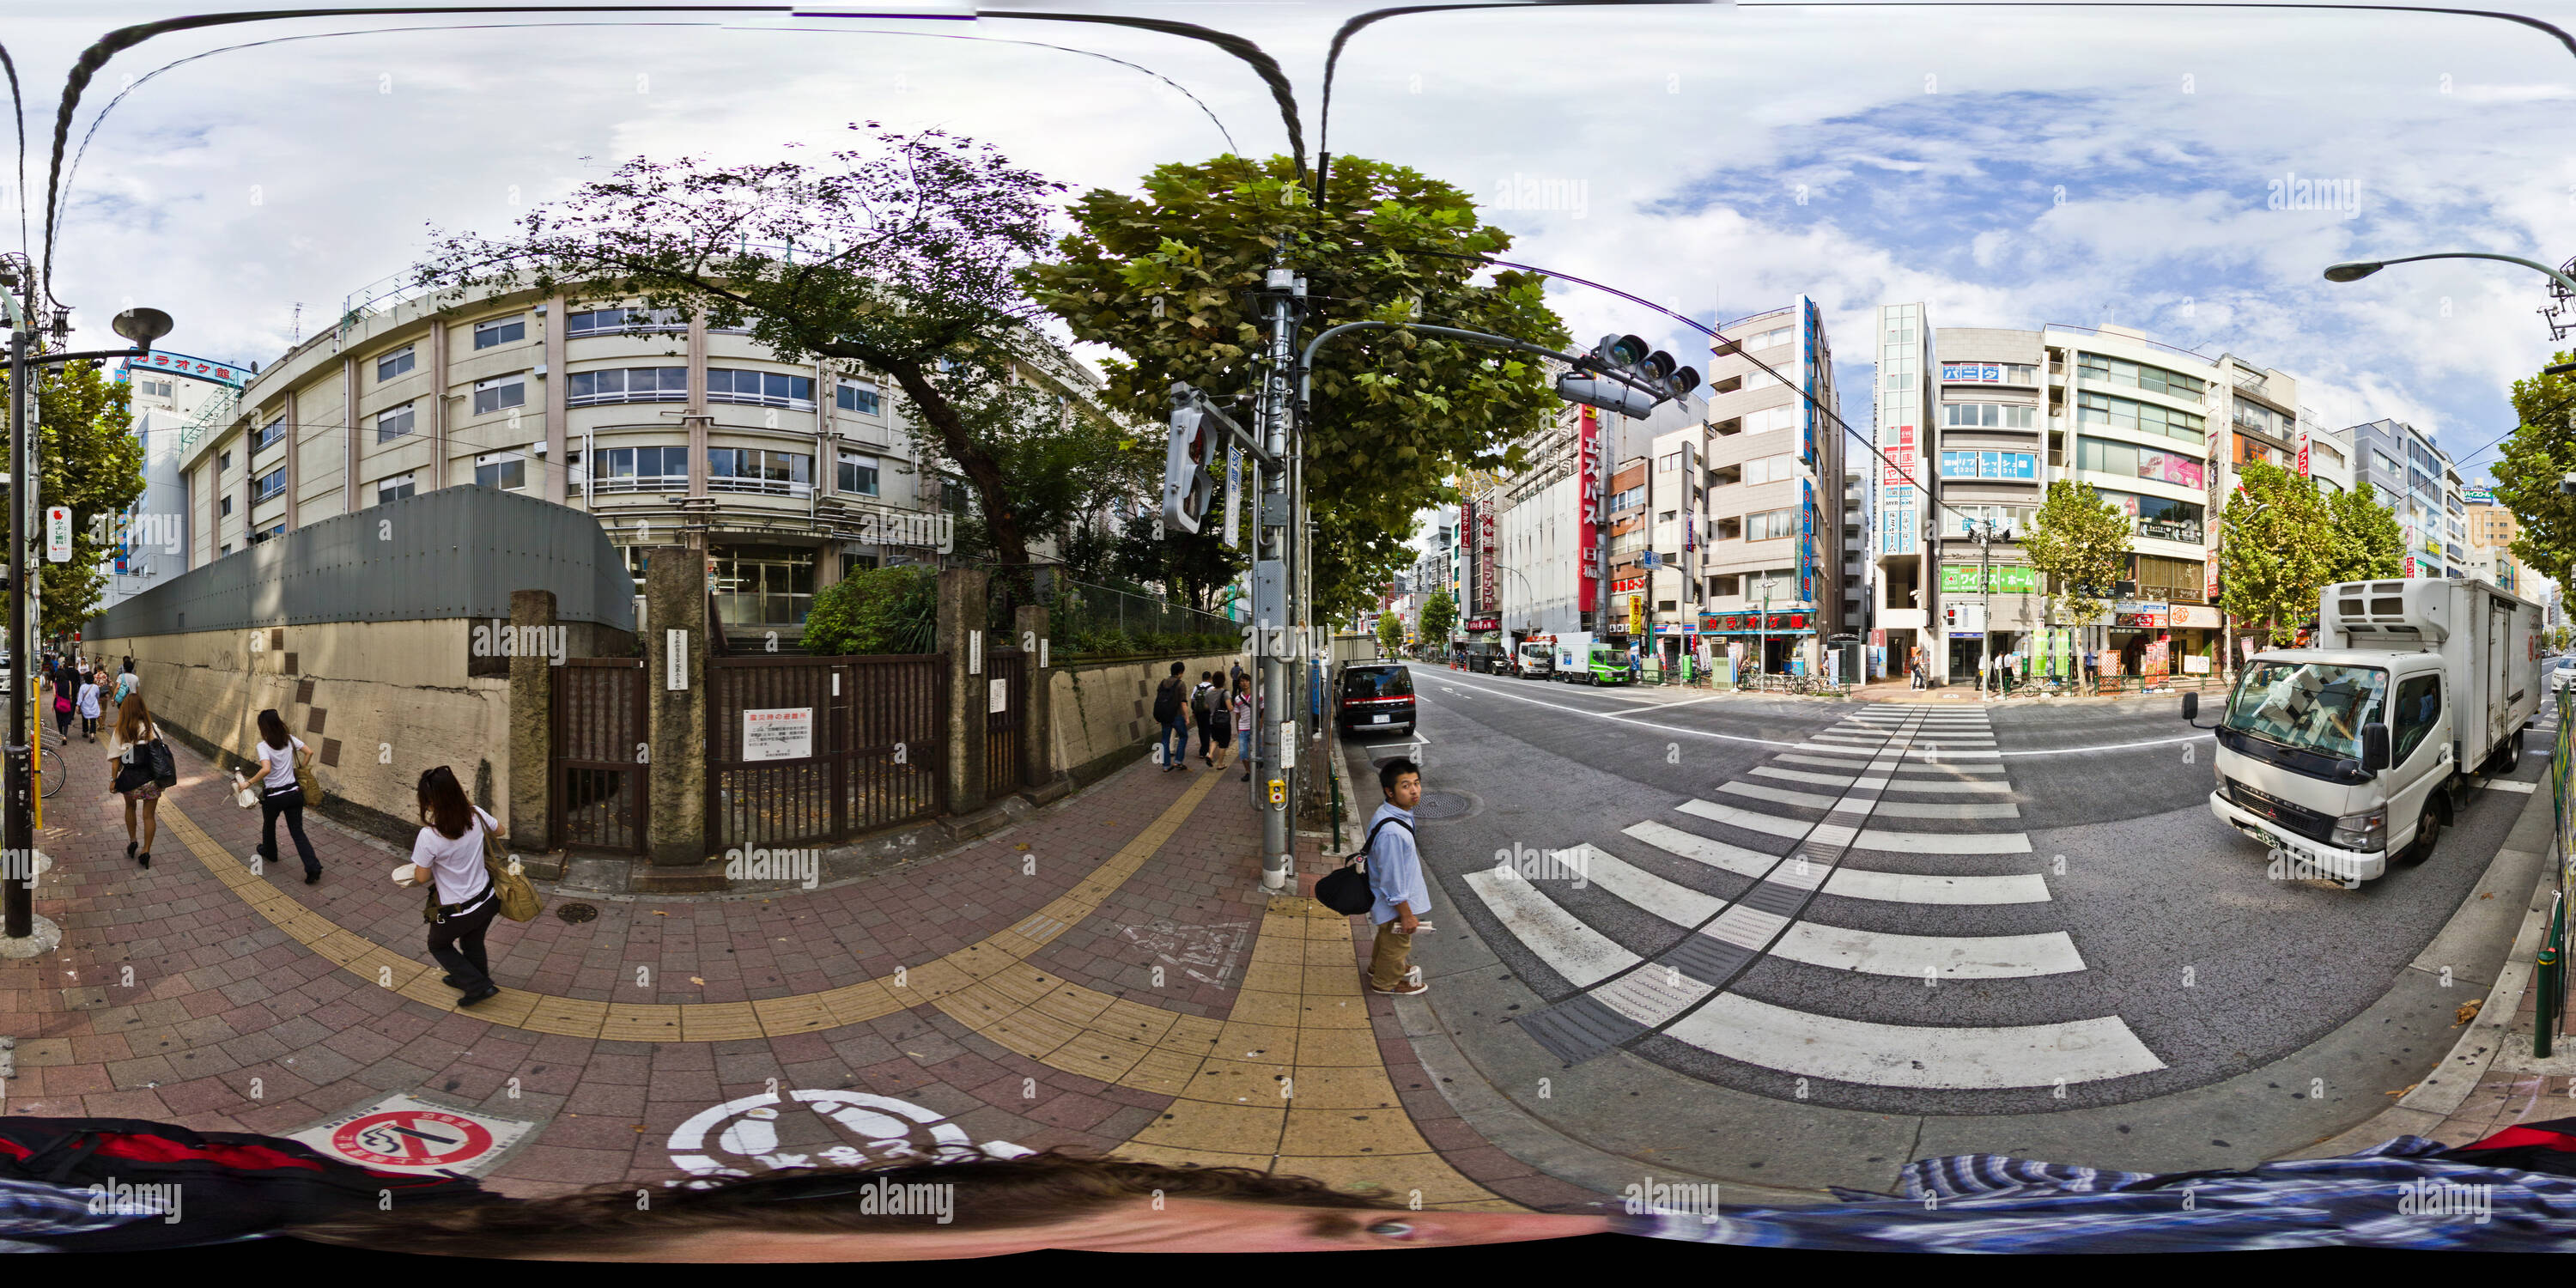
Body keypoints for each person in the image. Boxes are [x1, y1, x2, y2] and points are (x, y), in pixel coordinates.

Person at [398, 765, 506, 1006]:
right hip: (488, 899)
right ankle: (473, 978)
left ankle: (477, 986)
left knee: (438, 945)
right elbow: (501, 830)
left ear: (430, 802)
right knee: (472, 941)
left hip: (458, 909)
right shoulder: (476, 814)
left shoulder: (430, 836)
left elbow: (422, 877)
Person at [1362, 757, 1429, 996]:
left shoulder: (1393, 814)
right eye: (1405, 785)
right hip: (1392, 899)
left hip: (1385, 896)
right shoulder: (1392, 831)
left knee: (1387, 935)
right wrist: (1407, 914)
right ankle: (1386, 982)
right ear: (1389, 791)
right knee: (1398, 941)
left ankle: (1377, 968)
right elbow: (1392, 879)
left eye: (1417, 783)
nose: (1414, 790)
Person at [252, 708, 322, 884]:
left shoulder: (263, 745)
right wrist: (299, 770)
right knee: (297, 831)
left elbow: (266, 769)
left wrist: (248, 783)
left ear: (264, 727)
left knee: (269, 824)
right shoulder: (289, 739)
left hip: (274, 796)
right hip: (294, 793)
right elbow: (309, 752)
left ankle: (270, 852)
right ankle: (313, 867)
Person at [103, 693, 166, 869]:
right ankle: (146, 851)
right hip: (152, 779)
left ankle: (133, 841)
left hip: (130, 779)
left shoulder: (121, 730)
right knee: (149, 816)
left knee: (130, 807)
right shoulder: (151, 728)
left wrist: (113, 780)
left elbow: (116, 760)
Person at [1151, 661, 1190, 772]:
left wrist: (1157, 716)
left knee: (1165, 740)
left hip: (1164, 716)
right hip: (1177, 716)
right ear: (1181, 672)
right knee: (1183, 736)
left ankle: (1166, 765)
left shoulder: (1162, 683)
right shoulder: (1181, 684)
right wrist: (1186, 717)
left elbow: (1158, 700)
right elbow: (1183, 703)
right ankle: (1178, 761)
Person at [1190, 671, 1219, 766]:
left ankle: (1202, 751)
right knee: (1207, 730)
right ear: (1210, 678)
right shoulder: (1212, 688)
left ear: (1202, 678)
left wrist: (1194, 711)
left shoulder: (1196, 687)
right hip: (1208, 713)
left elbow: (1192, 700)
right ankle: (1205, 751)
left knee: (1201, 730)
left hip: (1198, 713)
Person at [1233, 674, 1255, 782]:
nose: (1244, 683)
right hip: (1243, 727)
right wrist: (1238, 727)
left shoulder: (1257, 695)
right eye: (1242, 681)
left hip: (1255, 727)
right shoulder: (1237, 698)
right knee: (1242, 752)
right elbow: (1237, 714)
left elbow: (1263, 709)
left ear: (1250, 682)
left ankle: (1257, 767)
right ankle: (1248, 772)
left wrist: (1260, 724)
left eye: (1246, 680)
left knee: (1258, 750)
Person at [75, 670, 100, 740]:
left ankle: (85, 732)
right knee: (93, 720)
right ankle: (92, 735)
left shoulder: (82, 687)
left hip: (85, 706)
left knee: (85, 719)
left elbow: (80, 698)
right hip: (93, 706)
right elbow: (98, 696)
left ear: (85, 679)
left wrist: (78, 705)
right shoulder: (96, 687)